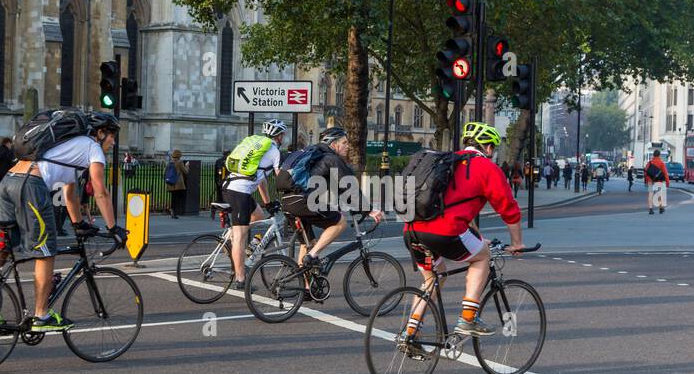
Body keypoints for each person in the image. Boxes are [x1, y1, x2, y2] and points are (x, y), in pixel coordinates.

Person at [0, 111, 126, 332]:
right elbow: (100, 191)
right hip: (31, 187)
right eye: (112, 136)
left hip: (9, 182)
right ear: (100, 133)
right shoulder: (92, 147)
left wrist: (78, 224)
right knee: (46, 252)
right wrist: (114, 227)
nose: (113, 142)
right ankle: (41, 316)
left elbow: (71, 194)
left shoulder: (69, 147)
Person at [402, 122, 525, 341]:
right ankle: (468, 319)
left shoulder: (447, 161)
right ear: (487, 148)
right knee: (482, 258)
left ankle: (410, 333)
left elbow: (458, 209)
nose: (493, 153)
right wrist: (516, 243)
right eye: (493, 149)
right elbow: (509, 209)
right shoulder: (487, 168)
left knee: (432, 279)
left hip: (412, 229)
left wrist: (477, 238)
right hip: (445, 232)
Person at [277, 126, 382, 266]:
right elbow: (348, 185)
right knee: (340, 222)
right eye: (344, 142)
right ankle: (312, 256)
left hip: (288, 201)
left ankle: (306, 286)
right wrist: (369, 209)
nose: (348, 146)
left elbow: (339, 188)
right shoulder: (331, 159)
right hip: (303, 201)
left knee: (309, 244)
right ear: (333, 144)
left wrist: (354, 205)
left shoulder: (315, 157)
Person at [223, 119, 287, 290]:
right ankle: (241, 280)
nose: (283, 138)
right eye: (283, 135)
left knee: (258, 216)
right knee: (240, 236)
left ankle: (239, 242)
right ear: (279, 136)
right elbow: (281, 178)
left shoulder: (258, 146)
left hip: (233, 188)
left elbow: (261, 179)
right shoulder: (273, 151)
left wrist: (267, 203)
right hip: (239, 192)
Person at [645, 148, 669, 214]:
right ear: (659, 155)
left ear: (653, 155)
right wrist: (667, 182)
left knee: (650, 194)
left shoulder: (649, 163)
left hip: (650, 180)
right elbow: (665, 173)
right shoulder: (661, 163)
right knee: (659, 194)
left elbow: (646, 172)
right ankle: (661, 208)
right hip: (659, 181)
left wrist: (646, 180)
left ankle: (650, 209)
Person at [165, 149, 187, 219]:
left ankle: (172, 210)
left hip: (171, 183)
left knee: (173, 198)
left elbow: (164, 172)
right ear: (179, 156)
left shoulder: (170, 162)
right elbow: (185, 171)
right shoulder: (179, 162)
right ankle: (174, 212)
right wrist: (187, 165)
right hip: (178, 184)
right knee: (179, 197)